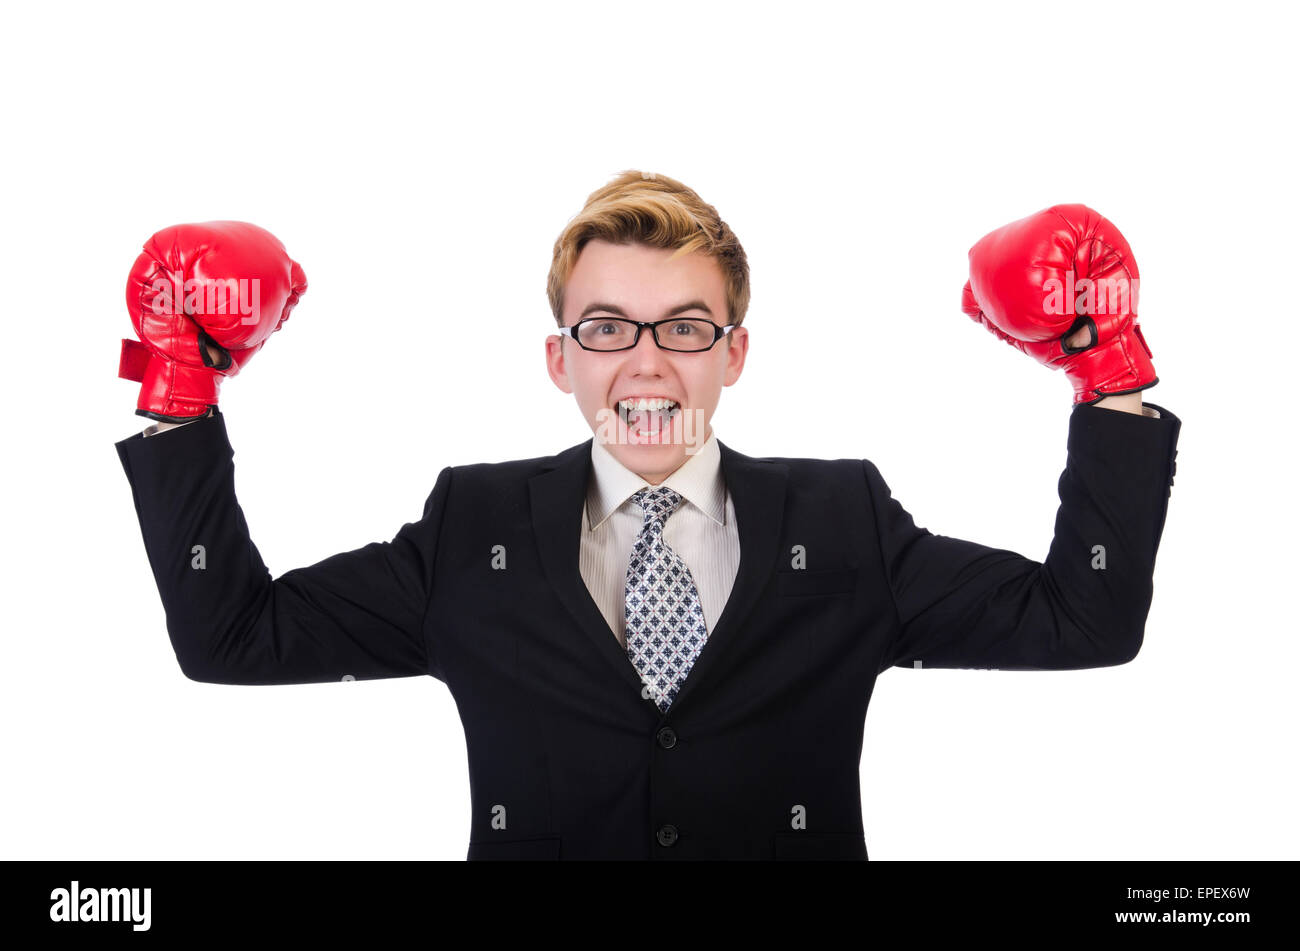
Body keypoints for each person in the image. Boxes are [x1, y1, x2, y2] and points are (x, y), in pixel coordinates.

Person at [115, 171, 1181, 860]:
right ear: (560, 360)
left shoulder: (843, 516)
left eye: (683, 325)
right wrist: (179, 393)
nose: (645, 360)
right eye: (607, 325)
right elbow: (231, 642)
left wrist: (1108, 378)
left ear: (734, 354)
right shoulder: (468, 522)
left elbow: (1082, 622)